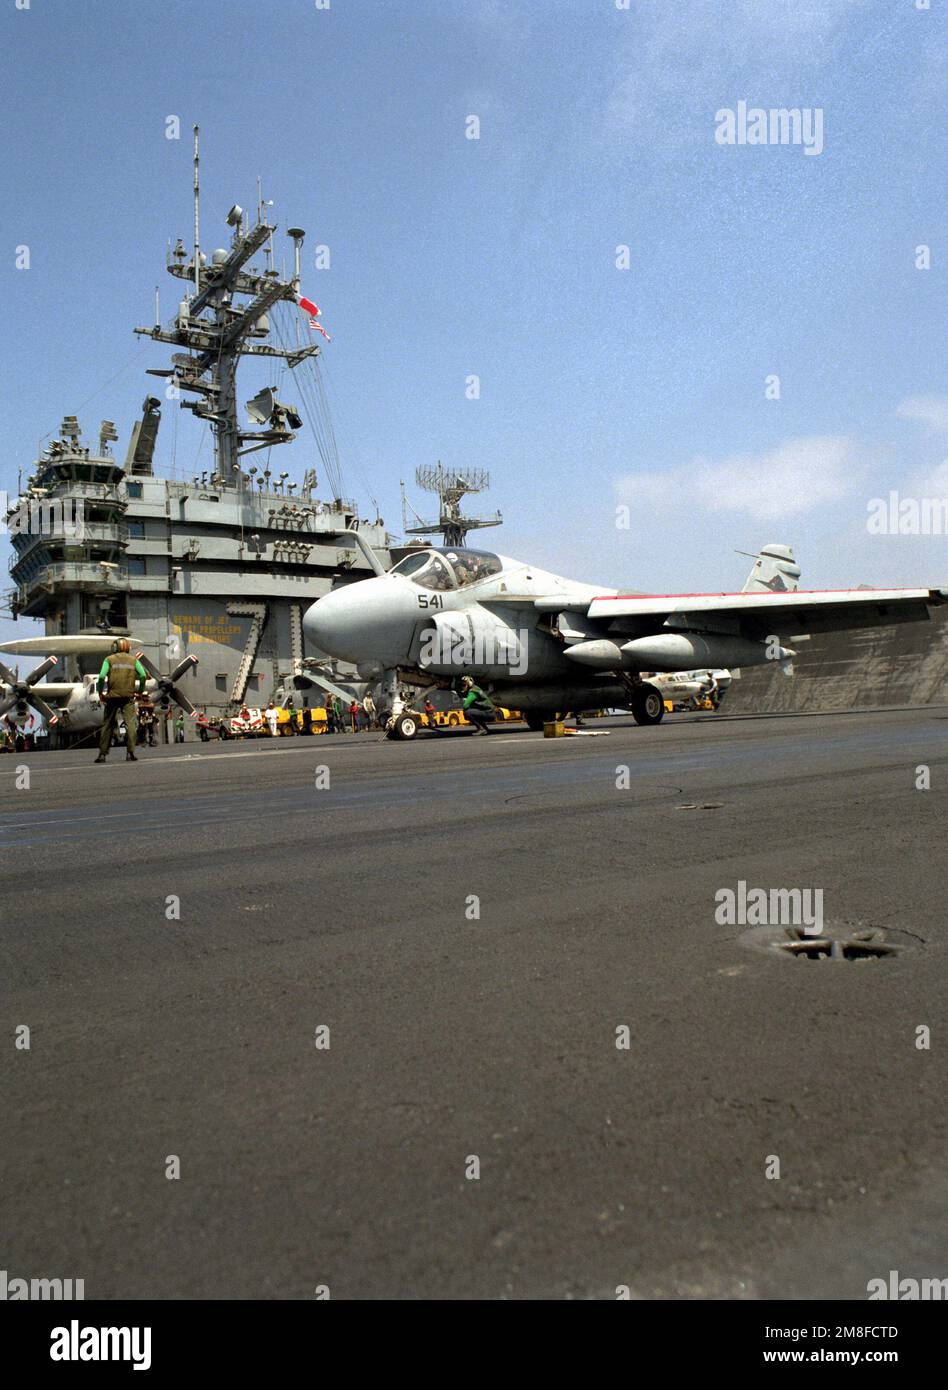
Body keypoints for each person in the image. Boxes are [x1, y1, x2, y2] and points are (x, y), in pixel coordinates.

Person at [95, 638, 147, 763]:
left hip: (112, 697)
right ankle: (130, 753)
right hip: (128, 697)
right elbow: (143, 675)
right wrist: (139, 691)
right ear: (128, 648)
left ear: (115, 648)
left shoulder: (109, 659)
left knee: (107, 725)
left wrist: (100, 692)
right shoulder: (134, 660)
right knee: (131, 725)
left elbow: (102, 676)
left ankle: (102, 755)